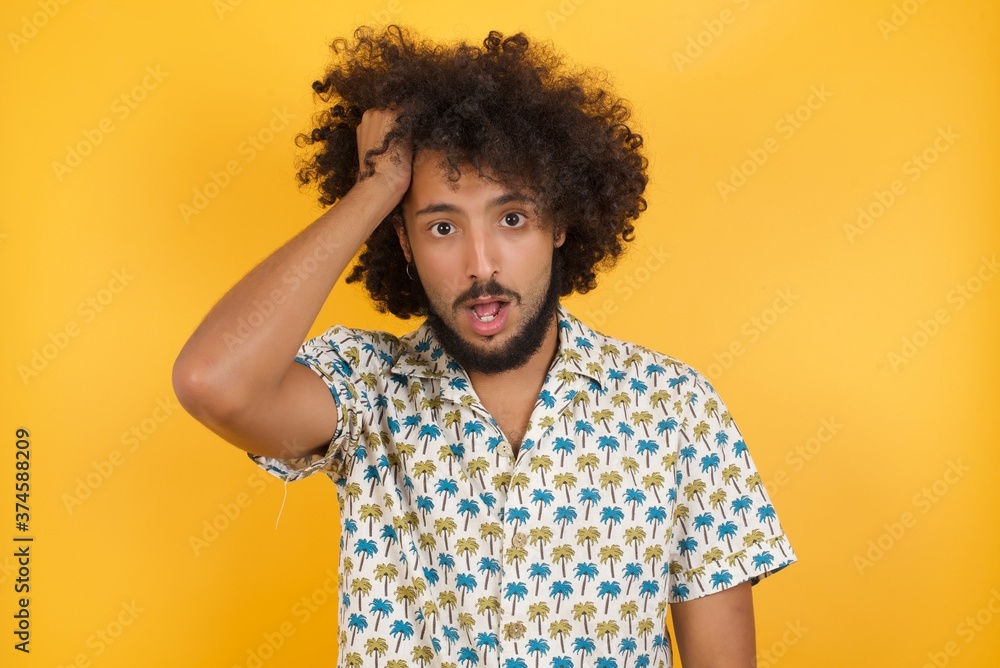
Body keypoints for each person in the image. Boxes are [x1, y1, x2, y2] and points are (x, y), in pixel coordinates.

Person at [173, 25, 797, 668]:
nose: (481, 265)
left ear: (558, 222)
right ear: (405, 245)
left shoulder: (676, 408)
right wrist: (377, 186)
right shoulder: (367, 389)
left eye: (512, 218)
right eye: (442, 226)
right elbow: (213, 382)